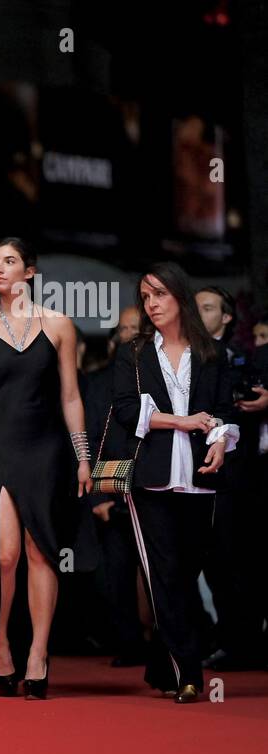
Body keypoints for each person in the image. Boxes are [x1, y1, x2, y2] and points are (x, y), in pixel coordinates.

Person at [0, 238, 94, 700]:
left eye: (9, 261)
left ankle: (37, 653)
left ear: (29, 271)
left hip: (47, 450)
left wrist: (83, 455)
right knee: (4, 557)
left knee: (40, 552)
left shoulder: (58, 325)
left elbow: (71, 396)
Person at [115, 264, 238, 703]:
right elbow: (129, 411)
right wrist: (181, 421)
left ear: (180, 298)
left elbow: (225, 409)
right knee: (163, 574)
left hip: (202, 478)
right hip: (151, 479)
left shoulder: (212, 354)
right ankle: (189, 671)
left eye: (160, 295)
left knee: (186, 572)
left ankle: (163, 660)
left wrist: (222, 440)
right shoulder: (133, 353)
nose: (152, 304)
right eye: (146, 297)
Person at [194, 286, 262, 670]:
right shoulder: (181, 356)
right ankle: (217, 636)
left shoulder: (241, 360)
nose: (199, 313)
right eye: (195, 306)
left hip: (238, 475)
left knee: (236, 559)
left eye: (207, 308)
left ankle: (243, 640)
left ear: (227, 317)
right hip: (193, 472)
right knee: (207, 560)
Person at [81, 306, 147, 667]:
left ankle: (176, 643)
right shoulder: (99, 383)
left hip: (156, 487)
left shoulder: (160, 375)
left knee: (164, 572)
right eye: (123, 329)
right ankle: (129, 642)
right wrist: (98, 495)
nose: (129, 335)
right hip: (112, 488)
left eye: (136, 328)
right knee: (116, 573)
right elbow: (89, 439)